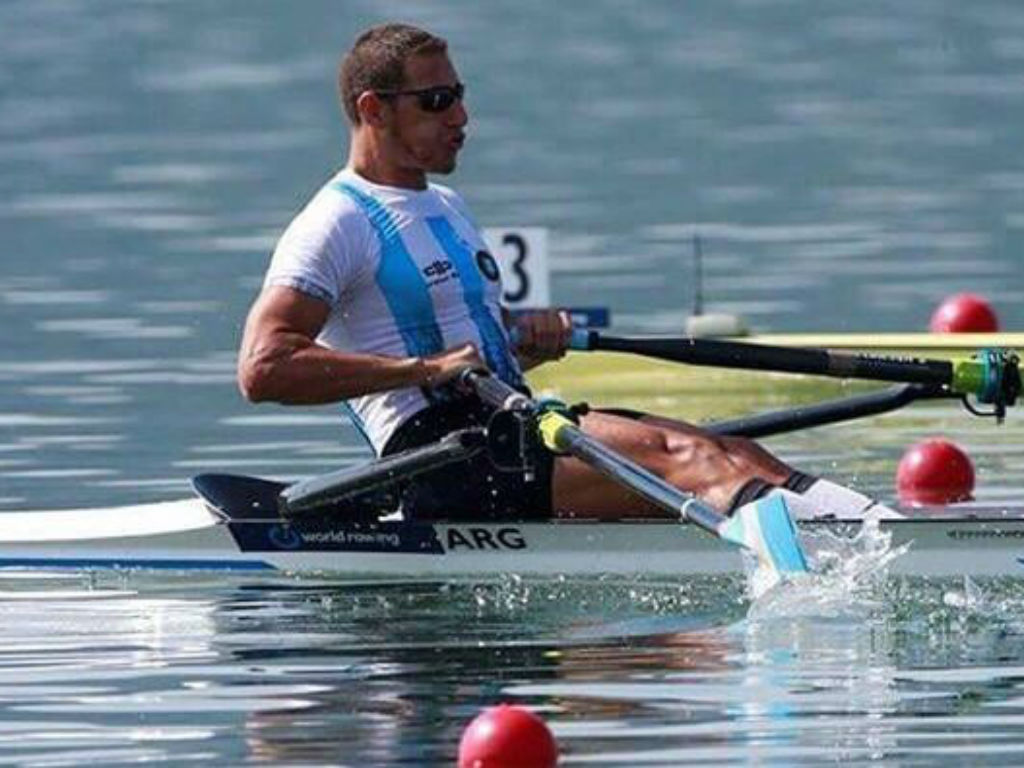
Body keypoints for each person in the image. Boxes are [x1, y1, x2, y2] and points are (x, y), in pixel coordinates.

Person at [238, 22, 894, 522]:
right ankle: (850, 558)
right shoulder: (335, 222)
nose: (461, 118)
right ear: (374, 109)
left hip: (510, 424)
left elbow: (463, 337)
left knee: (730, 452)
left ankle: (875, 530)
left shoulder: (445, 206)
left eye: (460, 96)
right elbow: (263, 368)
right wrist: (423, 370)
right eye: (437, 101)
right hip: (440, 456)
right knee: (690, 462)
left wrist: (517, 338)